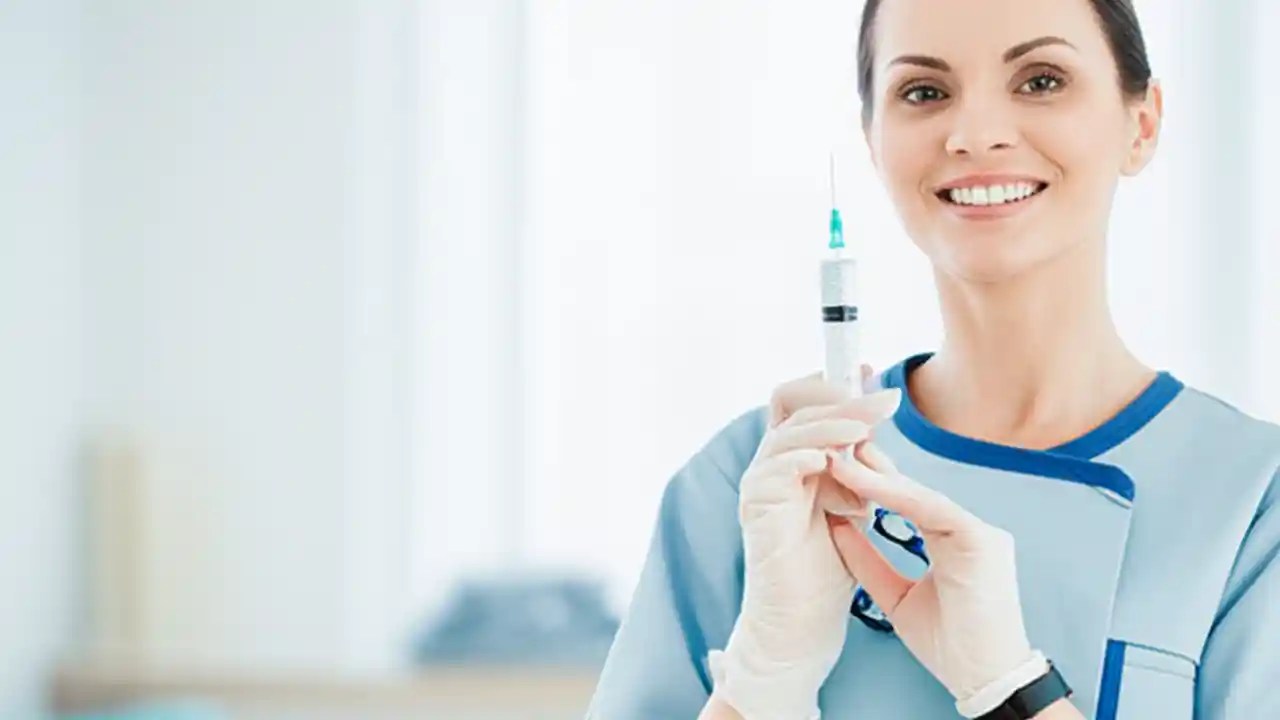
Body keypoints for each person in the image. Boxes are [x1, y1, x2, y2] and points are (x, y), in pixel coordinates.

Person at [586, 0, 1280, 718]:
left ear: (1142, 123)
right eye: (925, 93)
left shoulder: (1252, 504)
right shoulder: (755, 481)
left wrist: (1012, 687)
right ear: (874, 142)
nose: (975, 135)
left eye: (1041, 80)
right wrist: (764, 679)